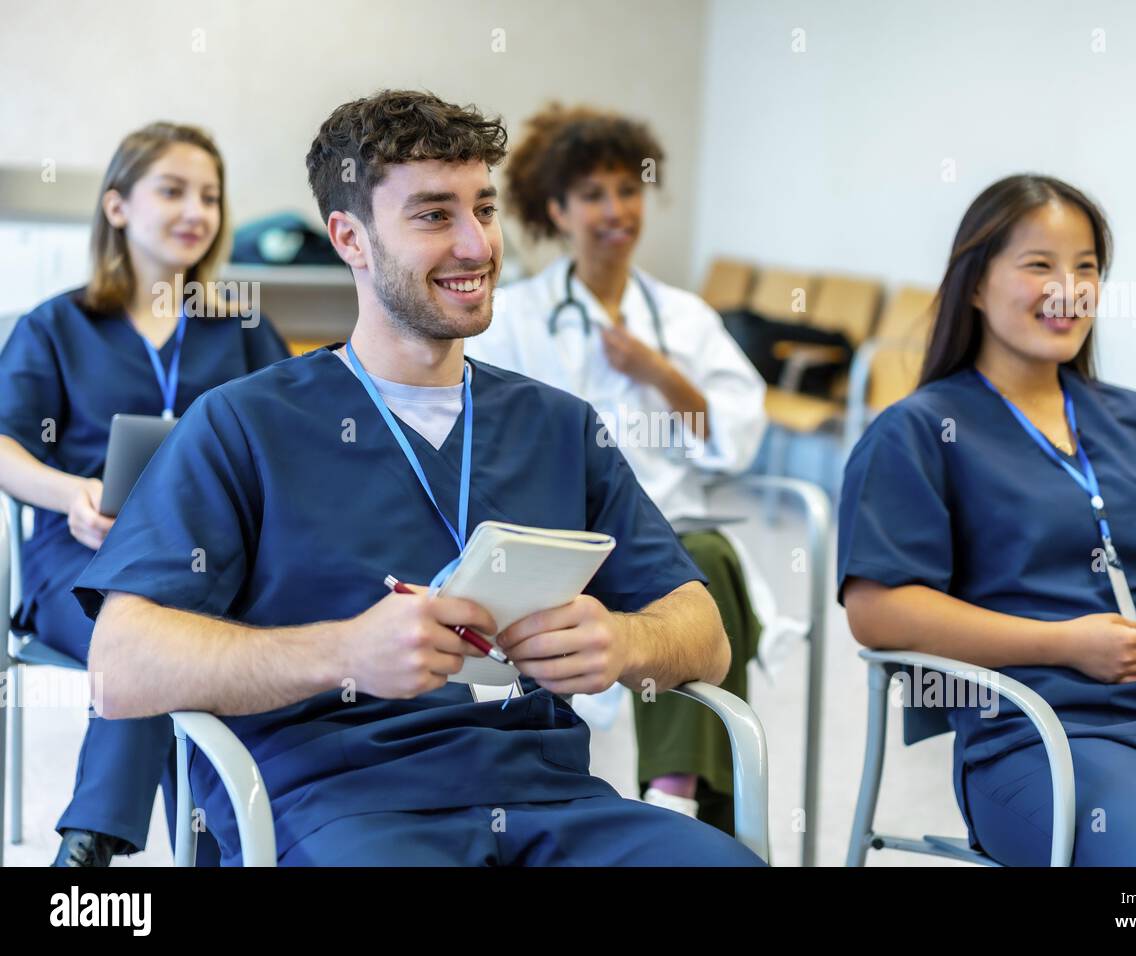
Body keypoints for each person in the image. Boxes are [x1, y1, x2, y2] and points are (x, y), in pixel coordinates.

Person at [74, 89, 765, 867]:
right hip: (337, 809)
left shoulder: (558, 427)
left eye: (485, 209)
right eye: (435, 215)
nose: (476, 246)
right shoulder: (243, 426)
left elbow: (703, 633)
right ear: (351, 239)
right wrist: (343, 653)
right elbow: (121, 666)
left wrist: (625, 640)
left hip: (551, 803)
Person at [838, 173, 1136, 866]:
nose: (1069, 288)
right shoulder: (918, 431)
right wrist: (1062, 644)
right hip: (1041, 735)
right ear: (975, 284)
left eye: (1086, 267)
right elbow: (878, 613)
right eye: (1039, 265)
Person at [468, 103, 767, 833]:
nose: (615, 210)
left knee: (700, 562)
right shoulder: (513, 316)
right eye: (593, 195)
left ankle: (672, 797)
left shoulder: (684, 320)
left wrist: (659, 371)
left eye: (628, 191)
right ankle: (690, 820)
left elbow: (734, 440)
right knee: (699, 571)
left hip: (668, 537)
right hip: (556, 544)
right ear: (556, 210)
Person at [0, 122, 289, 866]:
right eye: (173, 190)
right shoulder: (56, 326)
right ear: (118, 206)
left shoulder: (244, 328)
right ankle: (128, 843)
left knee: (188, 623)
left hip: (213, 560)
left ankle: (100, 842)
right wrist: (72, 492)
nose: (197, 210)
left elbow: (294, 446)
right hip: (82, 556)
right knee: (153, 633)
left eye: (211, 197)